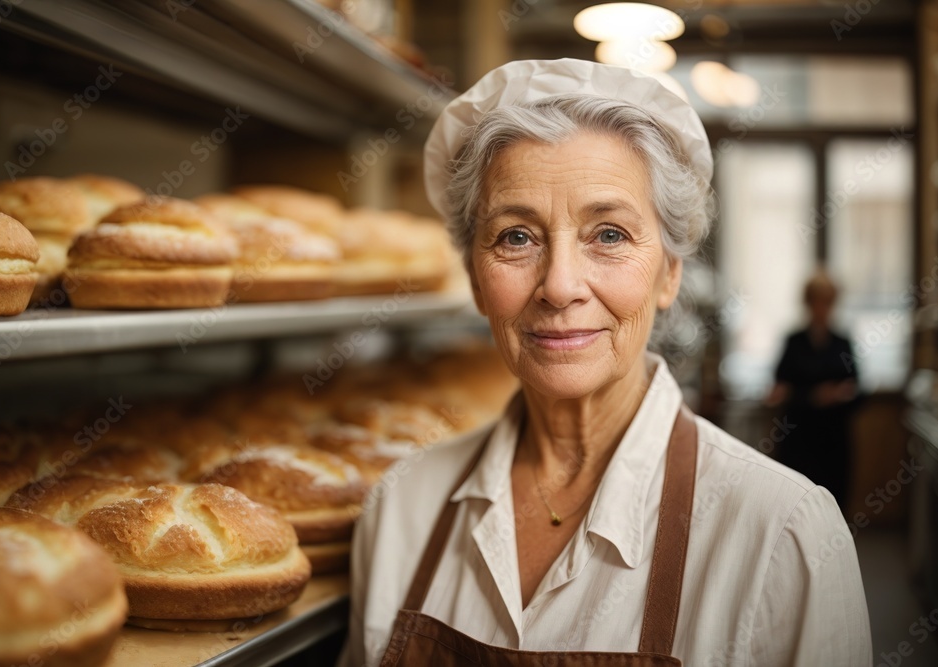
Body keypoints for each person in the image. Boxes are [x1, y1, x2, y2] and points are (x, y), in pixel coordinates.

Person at [340, 59, 871, 667]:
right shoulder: (403, 506)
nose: (560, 286)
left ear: (669, 273)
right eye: (516, 236)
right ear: (475, 280)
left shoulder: (784, 535)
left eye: (610, 234)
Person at [767, 269, 860, 514]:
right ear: (808, 303)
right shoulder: (794, 341)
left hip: (833, 439)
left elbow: (856, 389)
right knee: (797, 508)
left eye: (827, 302)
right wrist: (814, 396)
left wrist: (838, 395)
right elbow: (778, 391)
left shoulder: (842, 342)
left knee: (834, 507)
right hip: (799, 438)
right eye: (817, 301)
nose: (822, 308)